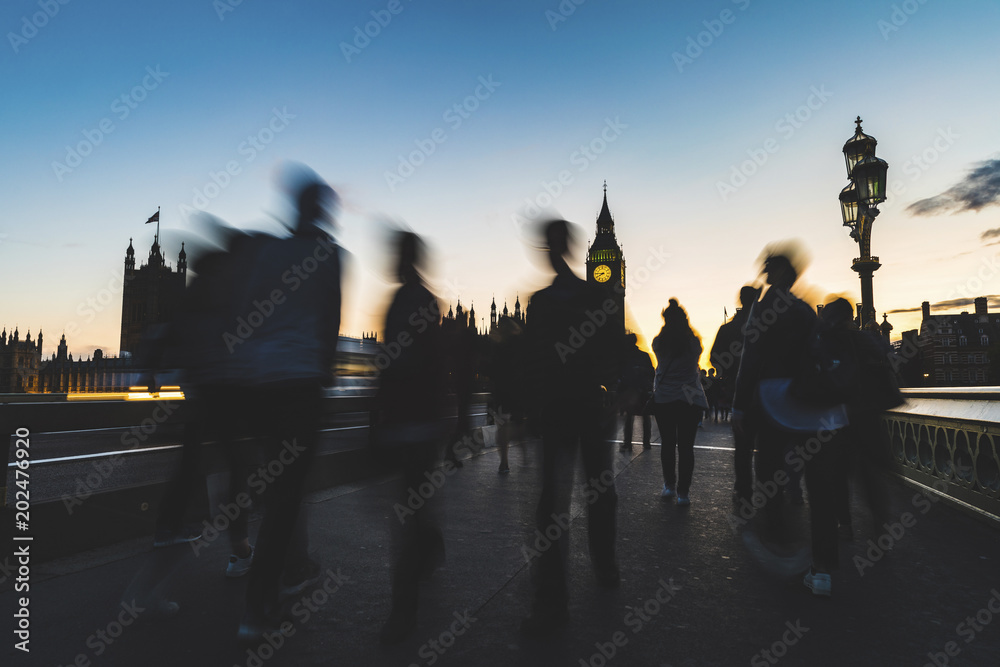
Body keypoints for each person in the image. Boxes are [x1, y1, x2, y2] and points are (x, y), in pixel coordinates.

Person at [230, 176, 343, 640]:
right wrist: (325, 379)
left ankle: (272, 583)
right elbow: (329, 321)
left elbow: (246, 313)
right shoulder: (329, 254)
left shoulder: (269, 252)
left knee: (274, 489)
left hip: (261, 384)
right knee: (286, 497)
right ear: (320, 211)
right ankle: (260, 605)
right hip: (300, 384)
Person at [521, 219, 621, 636]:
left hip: (573, 406)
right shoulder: (593, 295)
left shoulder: (556, 300)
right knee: (589, 493)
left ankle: (557, 598)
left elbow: (532, 359)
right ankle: (598, 567)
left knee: (561, 503)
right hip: (575, 407)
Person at [371, 231, 449, 644]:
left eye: (395, 254)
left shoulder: (413, 301)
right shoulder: (410, 300)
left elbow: (415, 360)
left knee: (406, 513)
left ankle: (403, 613)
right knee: (413, 508)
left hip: (415, 421)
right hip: (412, 420)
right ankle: (430, 543)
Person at [733, 247, 815, 543]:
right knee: (799, 457)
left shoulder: (764, 307)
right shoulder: (804, 309)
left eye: (768, 269)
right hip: (801, 395)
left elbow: (751, 358)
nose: (764, 275)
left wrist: (739, 405)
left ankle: (775, 523)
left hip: (769, 395)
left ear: (779, 273)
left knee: (768, 462)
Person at [651, 299, 708, 506]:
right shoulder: (693, 343)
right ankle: (684, 492)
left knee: (667, 444)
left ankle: (669, 485)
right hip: (689, 398)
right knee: (686, 447)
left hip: (665, 397)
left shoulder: (658, 342)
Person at [711, 285, 760, 502]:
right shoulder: (769, 324)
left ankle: (743, 489)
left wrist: (727, 374)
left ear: (740, 300)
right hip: (768, 391)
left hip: (739, 390)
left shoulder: (728, 329)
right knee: (770, 444)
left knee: (742, 445)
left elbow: (715, 357)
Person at [618, 333, 654, 452]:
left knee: (629, 417)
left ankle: (628, 443)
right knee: (644, 417)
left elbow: (621, 374)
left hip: (630, 390)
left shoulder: (624, 357)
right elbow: (652, 372)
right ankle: (646, 442)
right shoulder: (644, 356)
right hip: (641, 389)